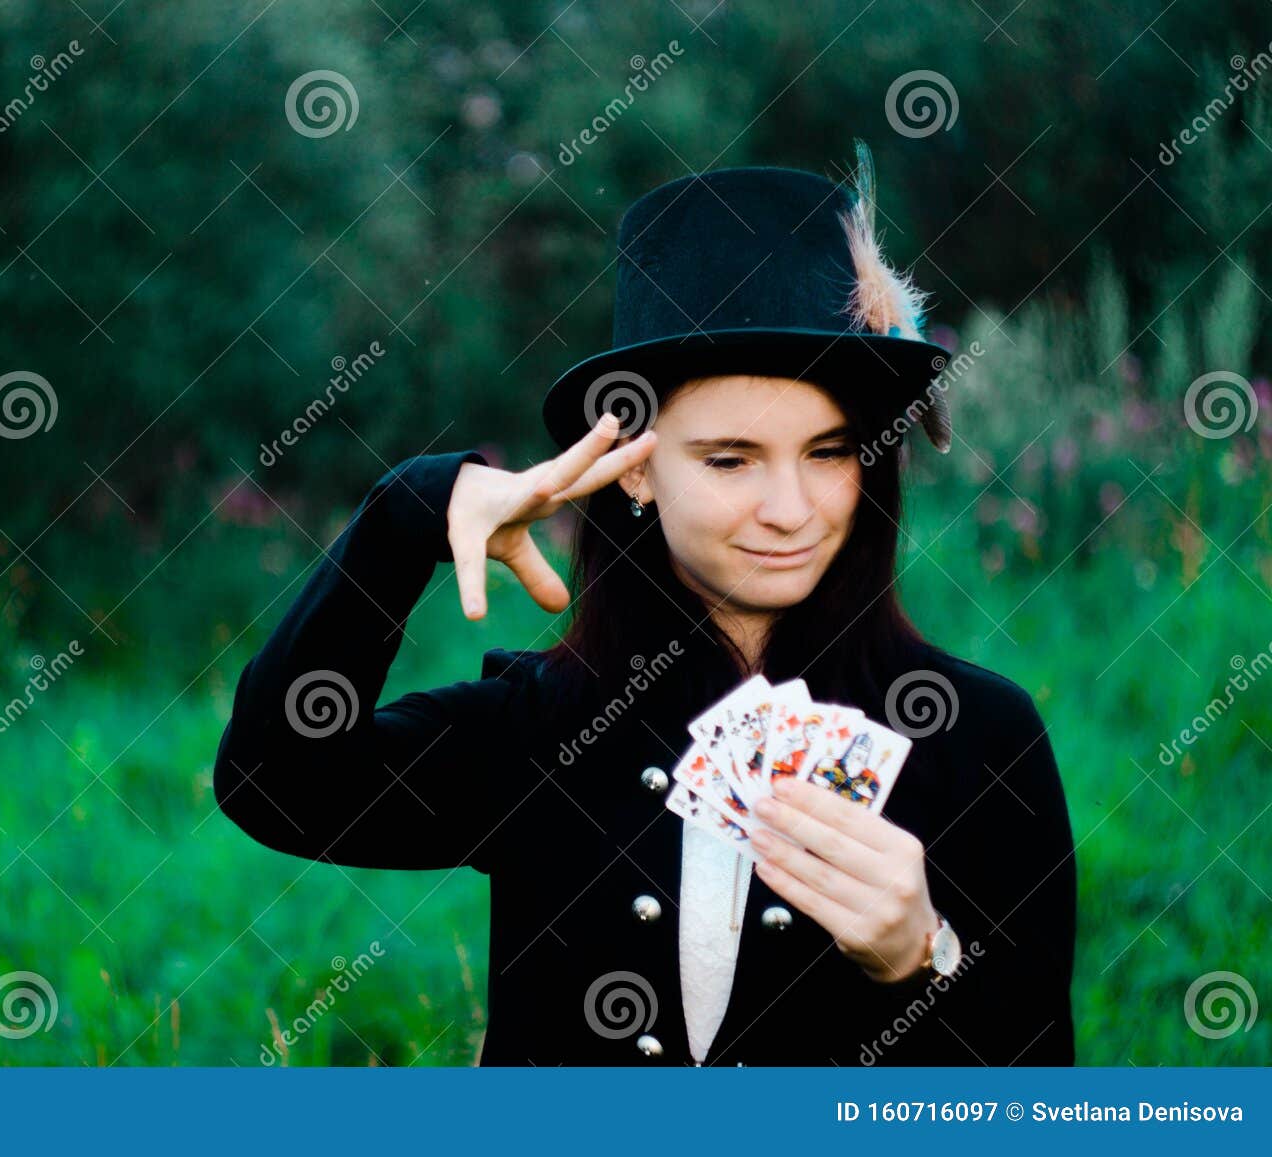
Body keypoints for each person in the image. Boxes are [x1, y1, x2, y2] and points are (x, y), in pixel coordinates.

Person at [214, 147, 1077, 1066]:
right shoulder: (544, 729)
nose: (792, 508)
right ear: (636, 474)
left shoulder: (982, 739)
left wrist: (923, 958)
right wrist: (410, 514)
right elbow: (277, 784)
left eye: (828, 451)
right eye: (730, 458)